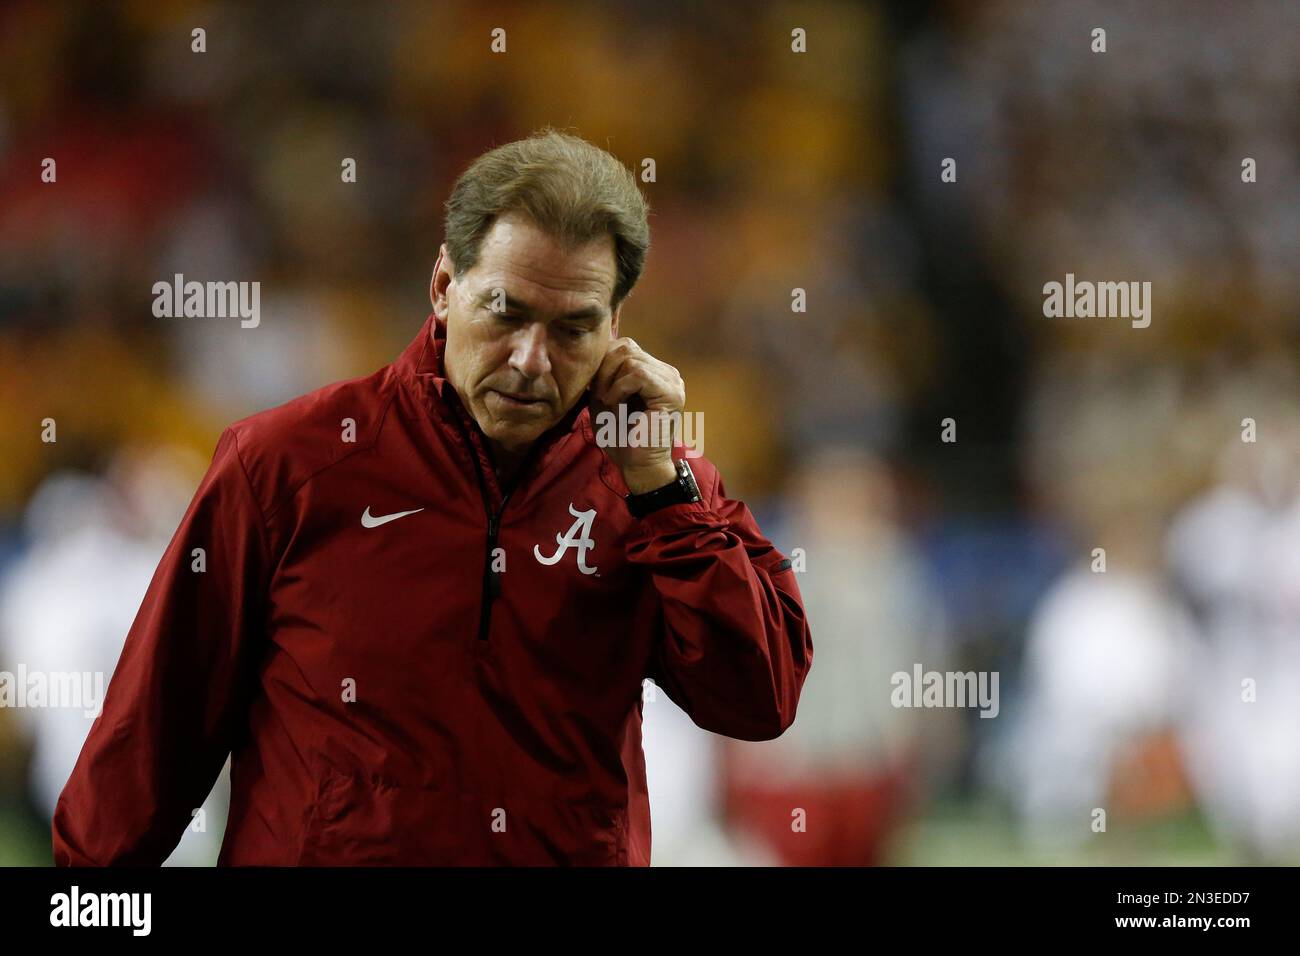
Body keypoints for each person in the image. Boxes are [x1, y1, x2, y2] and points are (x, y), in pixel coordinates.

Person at [51, 128, 813, 866]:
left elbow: (759, 701)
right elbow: (157, 728)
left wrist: (662, 494)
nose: (530, 360)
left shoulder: (656, 488)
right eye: (505, 312)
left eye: (573, 329)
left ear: (617, 327)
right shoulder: (286, 466)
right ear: (446, 286)